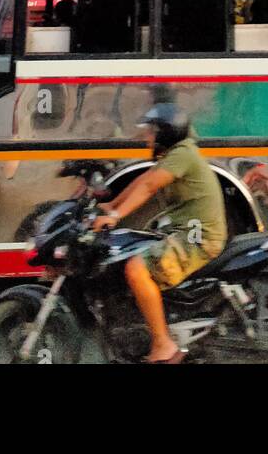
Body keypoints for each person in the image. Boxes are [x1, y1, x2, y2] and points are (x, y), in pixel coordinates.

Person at [92, 102, 227, 364]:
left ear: (166, 133)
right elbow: (143, 180)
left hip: (197, 237)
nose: (147, 136)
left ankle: (163, 344)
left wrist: (114, 216)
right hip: (186, 231)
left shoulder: (183, 154)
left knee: (136, 269)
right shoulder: (176, 154)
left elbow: (150, 186)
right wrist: (110, 205)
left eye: (152, 131)